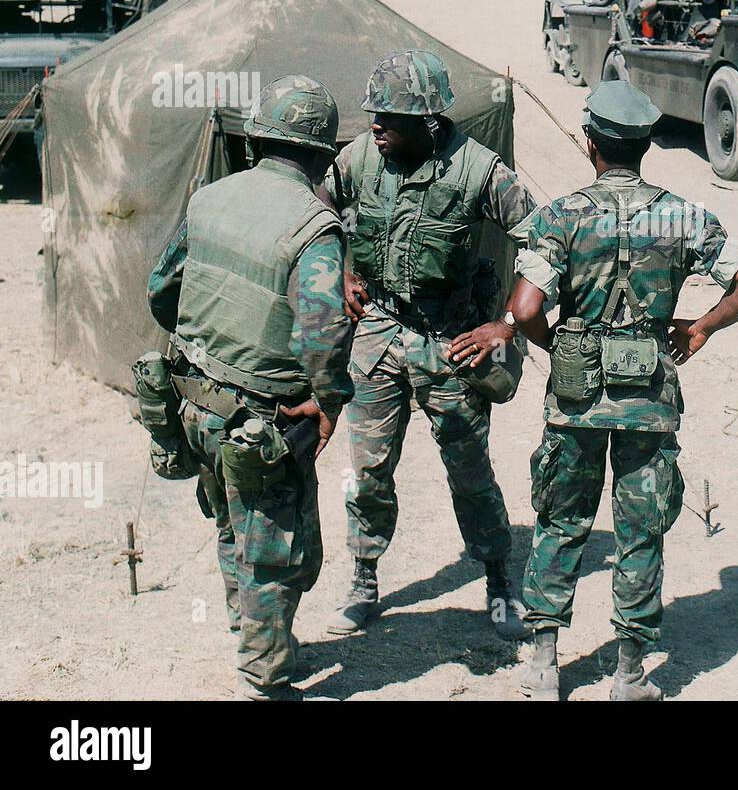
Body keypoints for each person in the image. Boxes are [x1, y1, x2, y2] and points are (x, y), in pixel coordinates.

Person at [492, 80, 738, 700]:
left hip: (576, 398)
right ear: (645, 145)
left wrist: (553, 341)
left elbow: (526, 304)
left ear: (590, 143)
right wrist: (698, 328)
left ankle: (542, 665)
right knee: (641, 530)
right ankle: (629, 675)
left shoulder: (561, 216)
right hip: (649, 401)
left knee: (560, 521)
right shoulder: (684, 215)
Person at [146, 76, 354, 701]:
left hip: (192, 403)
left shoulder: (210, 197)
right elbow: (324, 334)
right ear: (323, 155)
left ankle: (250, 633)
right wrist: (328, 399)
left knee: (231, 526)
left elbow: (161, 289)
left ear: (256, 139)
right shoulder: (316, 226)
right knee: (276, 552)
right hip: (262, 421)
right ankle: (263, 679)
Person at [323, 49, 536, 640]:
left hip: (452, 343)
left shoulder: (479, 171)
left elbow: (545, 246)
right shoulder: (359, 159)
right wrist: (339, 267)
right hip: (378, 334)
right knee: (367, 468)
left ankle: (498, 579)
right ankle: (364, 577)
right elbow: (317, 214)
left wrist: (508, 325)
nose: (376, 127)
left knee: (469, 469)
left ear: (428, 120)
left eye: (389, 118)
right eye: (374, 116)